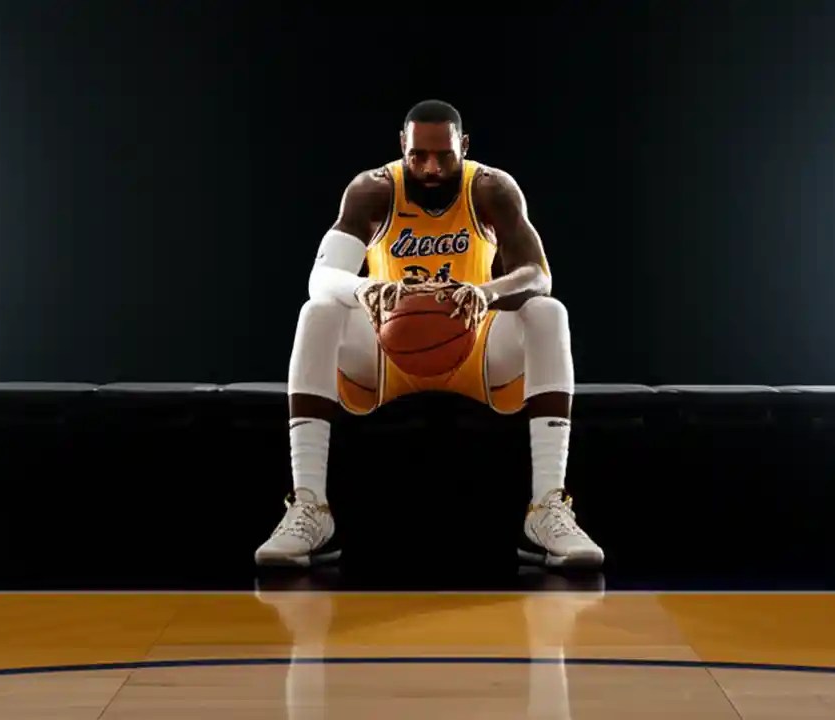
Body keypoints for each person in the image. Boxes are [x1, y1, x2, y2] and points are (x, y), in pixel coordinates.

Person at [255, 99, 604, 568]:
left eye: (444, 156)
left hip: (474, 349)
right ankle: (309, 508)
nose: (431, 168)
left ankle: (547, 509)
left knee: (548, 312)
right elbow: (320, 277)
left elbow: (538, 274)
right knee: (317, 312)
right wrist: (365, 288)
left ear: (464, 146)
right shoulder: (374, 190)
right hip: (388, 352)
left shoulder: (491, 188)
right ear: (402, 145)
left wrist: (485, 292)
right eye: (418, 155)